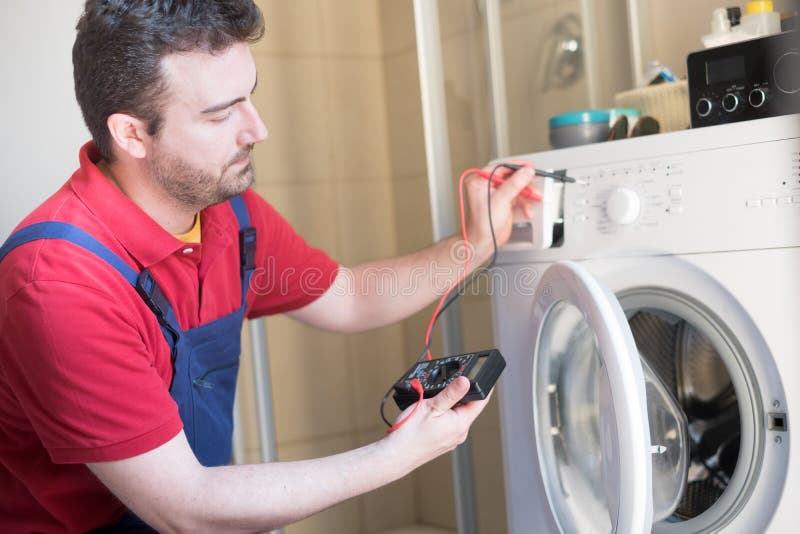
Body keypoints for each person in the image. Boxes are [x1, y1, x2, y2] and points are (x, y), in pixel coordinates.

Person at [0, 1, 536, 532]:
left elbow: (350, 296)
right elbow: (184, 507)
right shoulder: (57, 282)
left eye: (249, 97)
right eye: (220, 113)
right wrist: (398, 454)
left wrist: (476, 244)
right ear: (131, 134)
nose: (257, 130)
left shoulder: (225, 212)